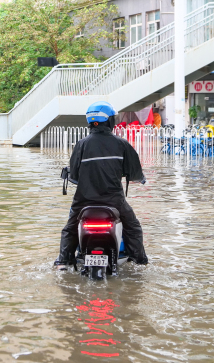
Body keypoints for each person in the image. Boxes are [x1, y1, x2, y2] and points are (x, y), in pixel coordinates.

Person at [55, 102, 149, 266]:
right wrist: (139, 178)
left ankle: (63, 262)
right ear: (110, 121)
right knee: (132, 227)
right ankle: (139, 262)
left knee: (70, 228)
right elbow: (134, 171)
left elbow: (75, 175)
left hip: (83, 201)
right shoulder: (121, 144)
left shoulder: (81, 144)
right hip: (114, 201)